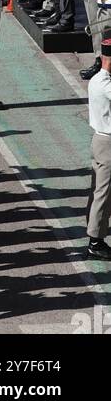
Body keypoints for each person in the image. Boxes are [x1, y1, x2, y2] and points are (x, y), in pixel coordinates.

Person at [87, 36, 111, 260]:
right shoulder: (107, 85)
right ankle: (95, 240)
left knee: (97, 189)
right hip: (107, 143)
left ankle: (94, 228)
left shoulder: (95, 79)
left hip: (98, 139)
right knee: (103, 192)